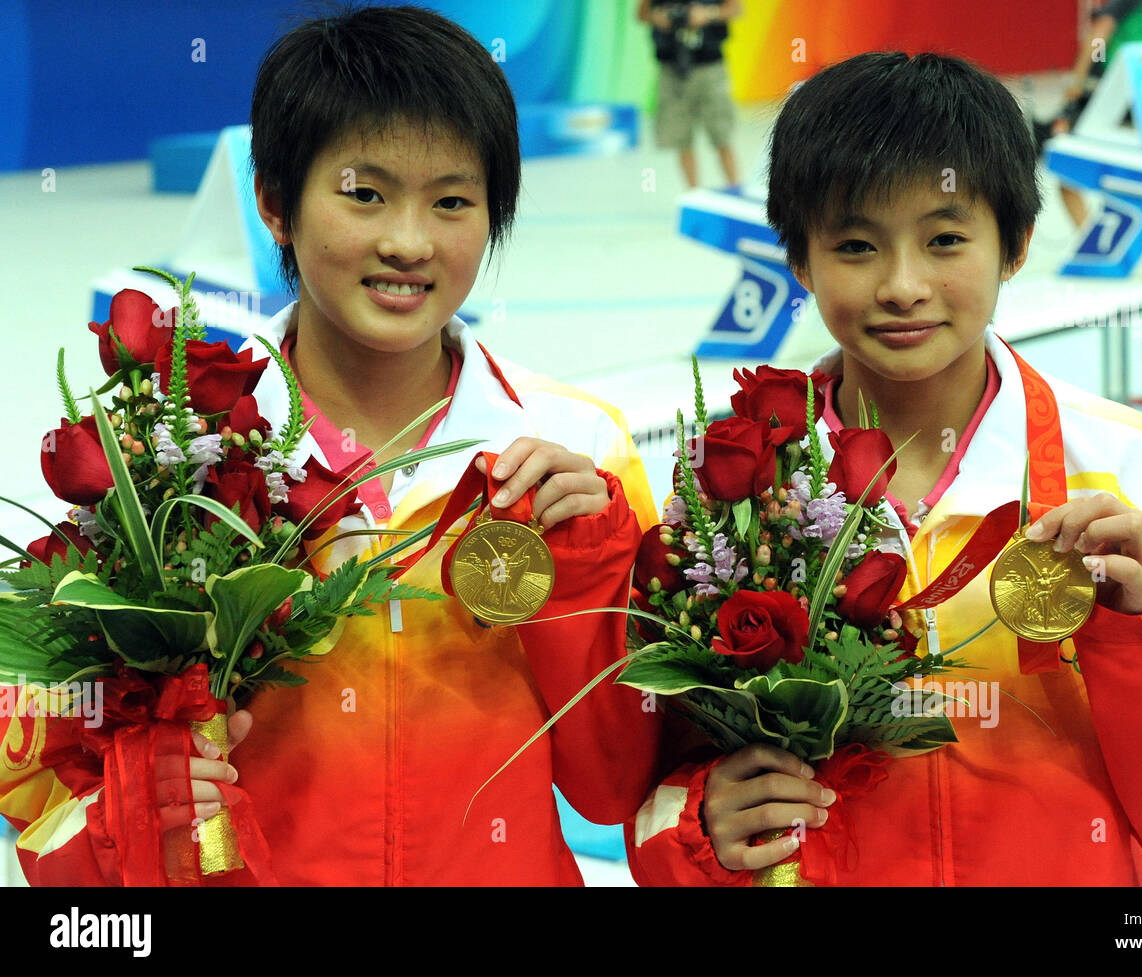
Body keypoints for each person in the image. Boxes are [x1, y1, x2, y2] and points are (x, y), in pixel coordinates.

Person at [2, 4, 660, 885]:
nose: (407, 241)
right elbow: (37, 784)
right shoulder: (164, 460)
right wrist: (131, 800)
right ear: (275, 201)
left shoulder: (576, 449)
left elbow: (615, 786)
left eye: (453, 201)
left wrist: (577, 582)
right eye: (364, 192)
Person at [625, 51, 1142, 885]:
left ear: (1014, 244)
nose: (904, 286)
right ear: (798, 260)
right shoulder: (730, 495)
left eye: (945, 239)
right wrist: (700, 822)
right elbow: (642, 770)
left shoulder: (1127, 471)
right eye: (857, 245)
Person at [1042, 0, 1142, 226]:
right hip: (1123, 106)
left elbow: (1101, 28)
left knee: (1073, 173)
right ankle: (1095, 235)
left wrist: (1078, 78)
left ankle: (1097, 236)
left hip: (1119, 108)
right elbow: (1102, 29)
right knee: (1082, 174)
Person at [637, 0, 743, 189]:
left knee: (722, 134)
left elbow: (735, 8)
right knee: (681, 138)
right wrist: (659, 18)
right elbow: (641, 14)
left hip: (709, 67)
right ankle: (694, 194)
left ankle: (735, 189)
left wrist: (708, 14)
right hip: (672, 69)